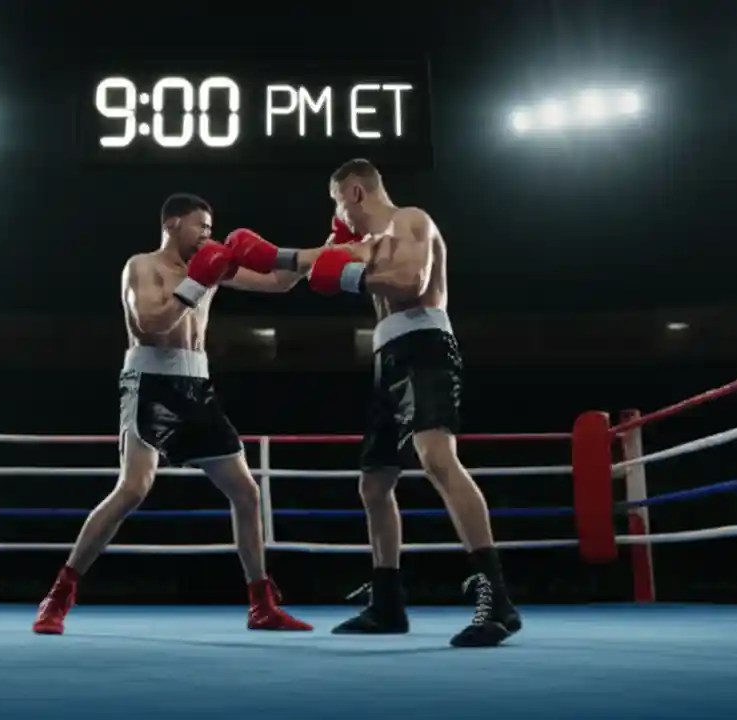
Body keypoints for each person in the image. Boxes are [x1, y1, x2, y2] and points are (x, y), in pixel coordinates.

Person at [223, 159, 521, 647]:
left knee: (437, 458)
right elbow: (283, 277)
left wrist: (345, 274)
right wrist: (218, 269)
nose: (339, 215)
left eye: (339, 203)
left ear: (355, 192)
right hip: (389, 356)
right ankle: (388, 602)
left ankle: (497, 597)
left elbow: (410, 283)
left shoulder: (411, 220)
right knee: (374, 483)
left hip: (426, 345)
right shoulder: (354, 243)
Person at [32, 192, 313, 635]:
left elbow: (278, 281)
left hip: (196, 386)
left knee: (246, 492)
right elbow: (149, 323)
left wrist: (310, 255)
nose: (208, 234)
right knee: (132, 489)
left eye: (210, 227)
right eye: (200, 225)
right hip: (150, 383)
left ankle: (261, 604)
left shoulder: (214, 264)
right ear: (172, 224)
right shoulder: (142, 266)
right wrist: (196, 283)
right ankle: (59, 596)